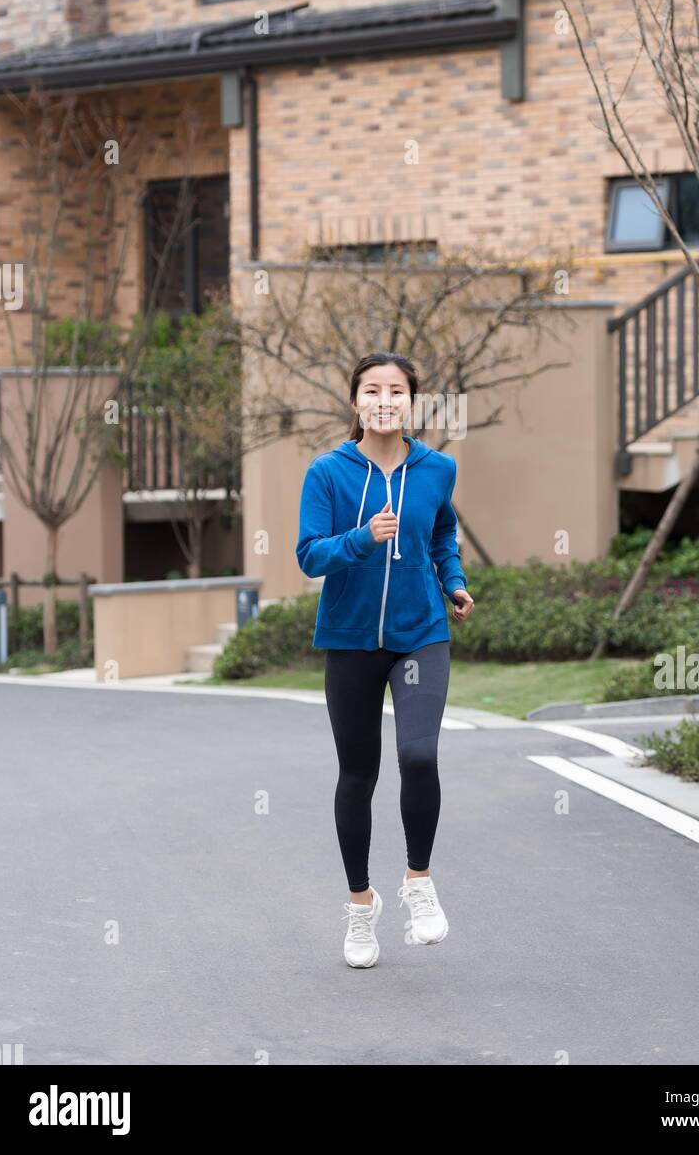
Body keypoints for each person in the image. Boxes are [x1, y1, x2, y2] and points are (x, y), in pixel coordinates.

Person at [296, 351, 474, 967]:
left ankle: (418, 882)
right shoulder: (328, 472)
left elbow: (441, 533)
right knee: (359, 774)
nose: (383, 400)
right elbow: (310, 555)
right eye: (371, 390)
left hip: (420, 631)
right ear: (356, 403)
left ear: (410, 402)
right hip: (348, 639)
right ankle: (360, 906)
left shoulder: (437, 469)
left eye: (395, 391)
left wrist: (453, 581)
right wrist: (361, 538)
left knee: (419, 753)